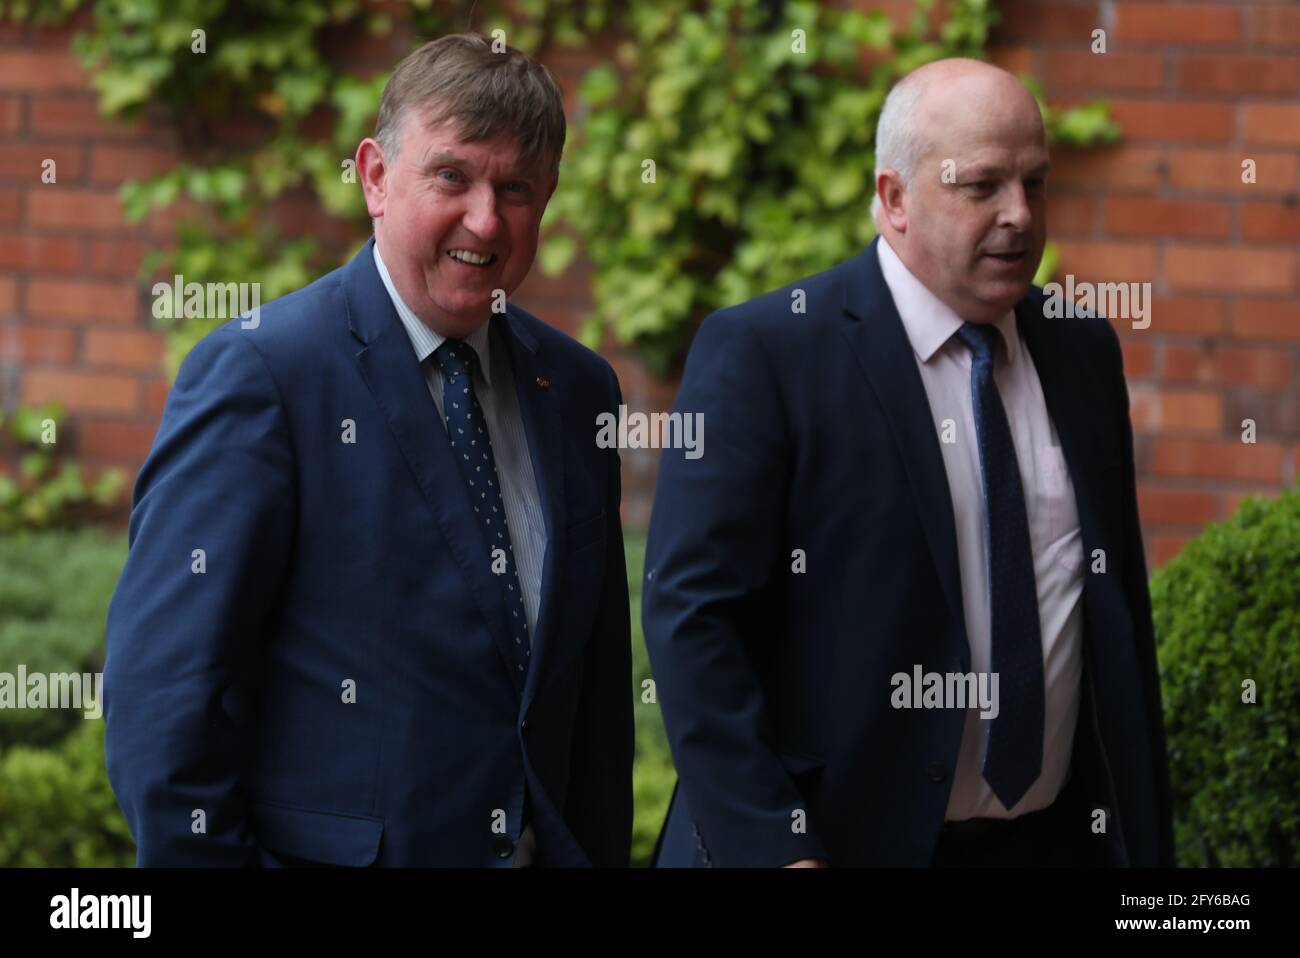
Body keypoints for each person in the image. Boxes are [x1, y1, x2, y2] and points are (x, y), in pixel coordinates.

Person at [104, 34, 633, 868]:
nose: (485, 219)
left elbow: (595, 706)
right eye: (452, 176)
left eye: (516, 188)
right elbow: (165, 706)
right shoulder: (264, 374)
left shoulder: (578, 391)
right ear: (376, 177)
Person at [643, 58, 1174, 867]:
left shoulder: (1081, 351)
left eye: (1036, 182)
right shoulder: (768, 353)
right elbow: (694, 623)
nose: (1020, 216)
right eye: (982, 186)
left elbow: (1115, 624)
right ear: (894, 198)